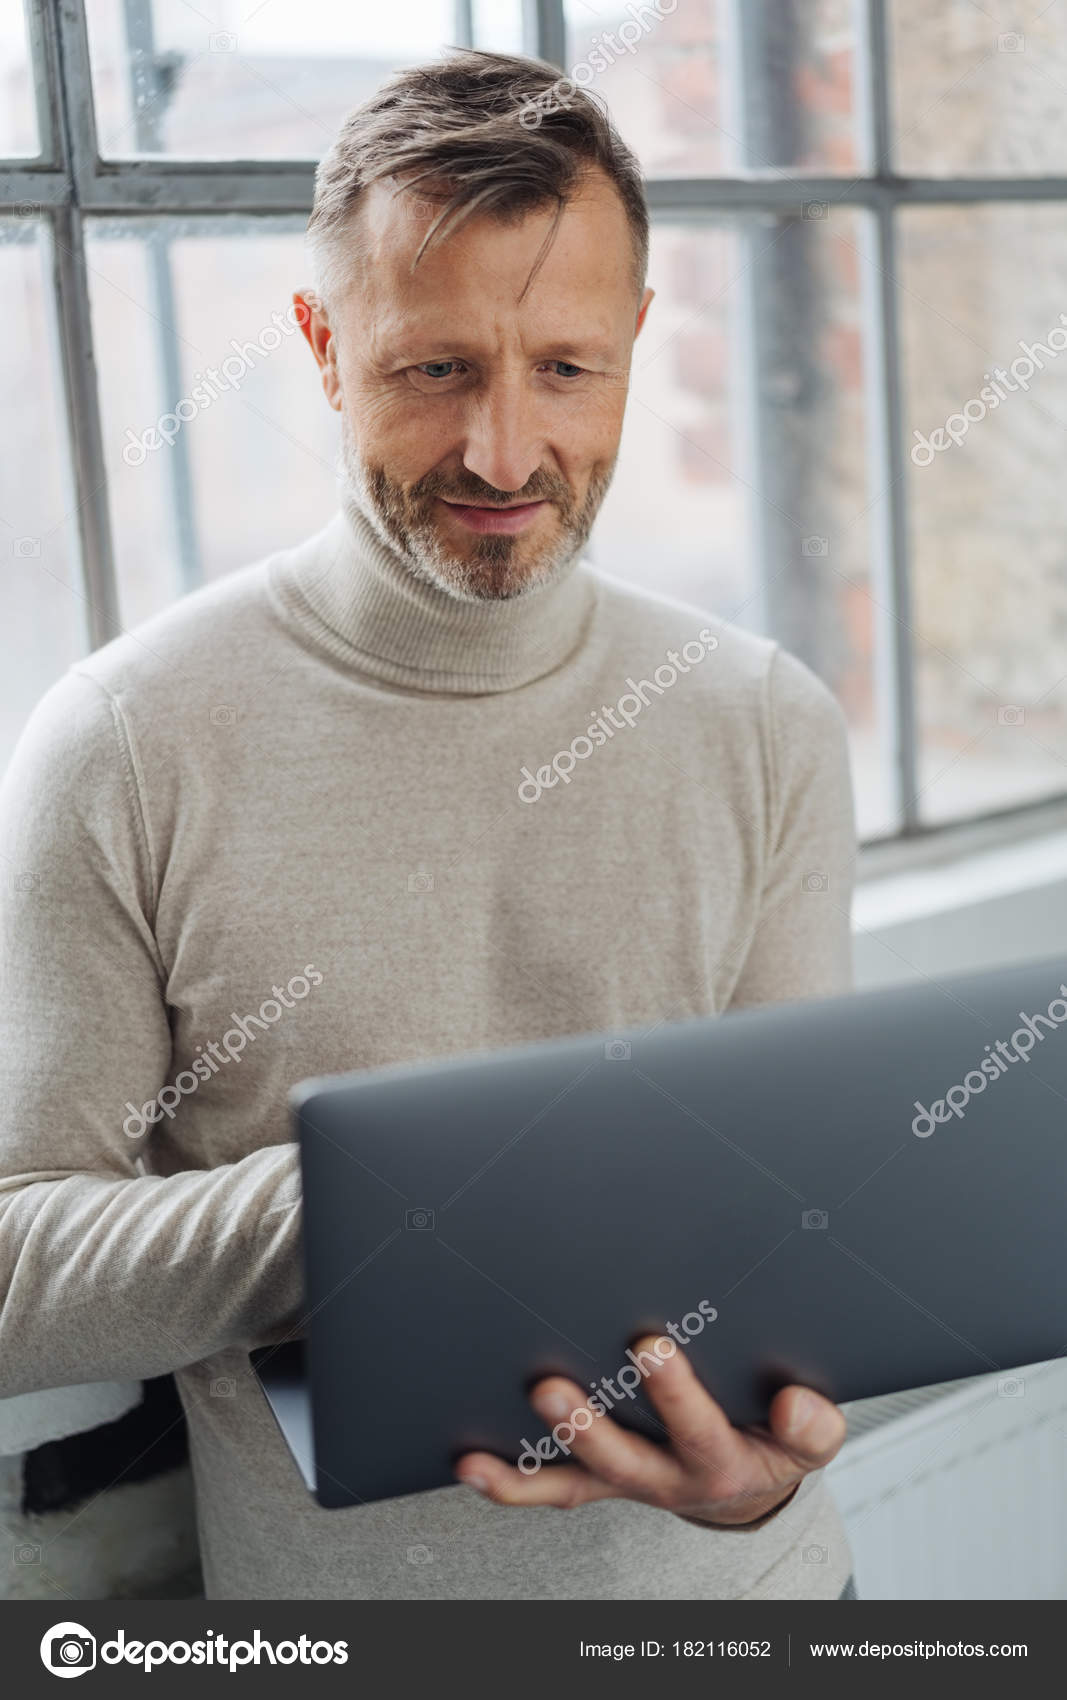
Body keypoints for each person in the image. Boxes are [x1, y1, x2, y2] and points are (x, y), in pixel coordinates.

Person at [0, 50, 857, 1600]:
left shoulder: (765, 721)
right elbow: (13, 1274)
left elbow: (789, 1231)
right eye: (434, 369)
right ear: (324, 348)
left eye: (569, 369)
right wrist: (386, 1203)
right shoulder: (121, 745)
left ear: (642, 343)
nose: (506, 454)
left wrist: (770, 1478)